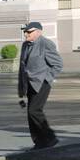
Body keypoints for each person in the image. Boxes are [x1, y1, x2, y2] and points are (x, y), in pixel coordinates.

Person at [17, 21, 63, 150]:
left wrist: (47, 78)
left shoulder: (45, 43)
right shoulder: (25, 45)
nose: (26, 34)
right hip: (29, 83)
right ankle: (39, 142)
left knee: (34, 111)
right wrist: (21, 89)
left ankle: (50, 137)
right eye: (25, 31)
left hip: (42, 83)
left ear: (38, 32)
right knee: (30, 112)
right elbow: (22, 67)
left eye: (29, 31)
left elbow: (58, 64)